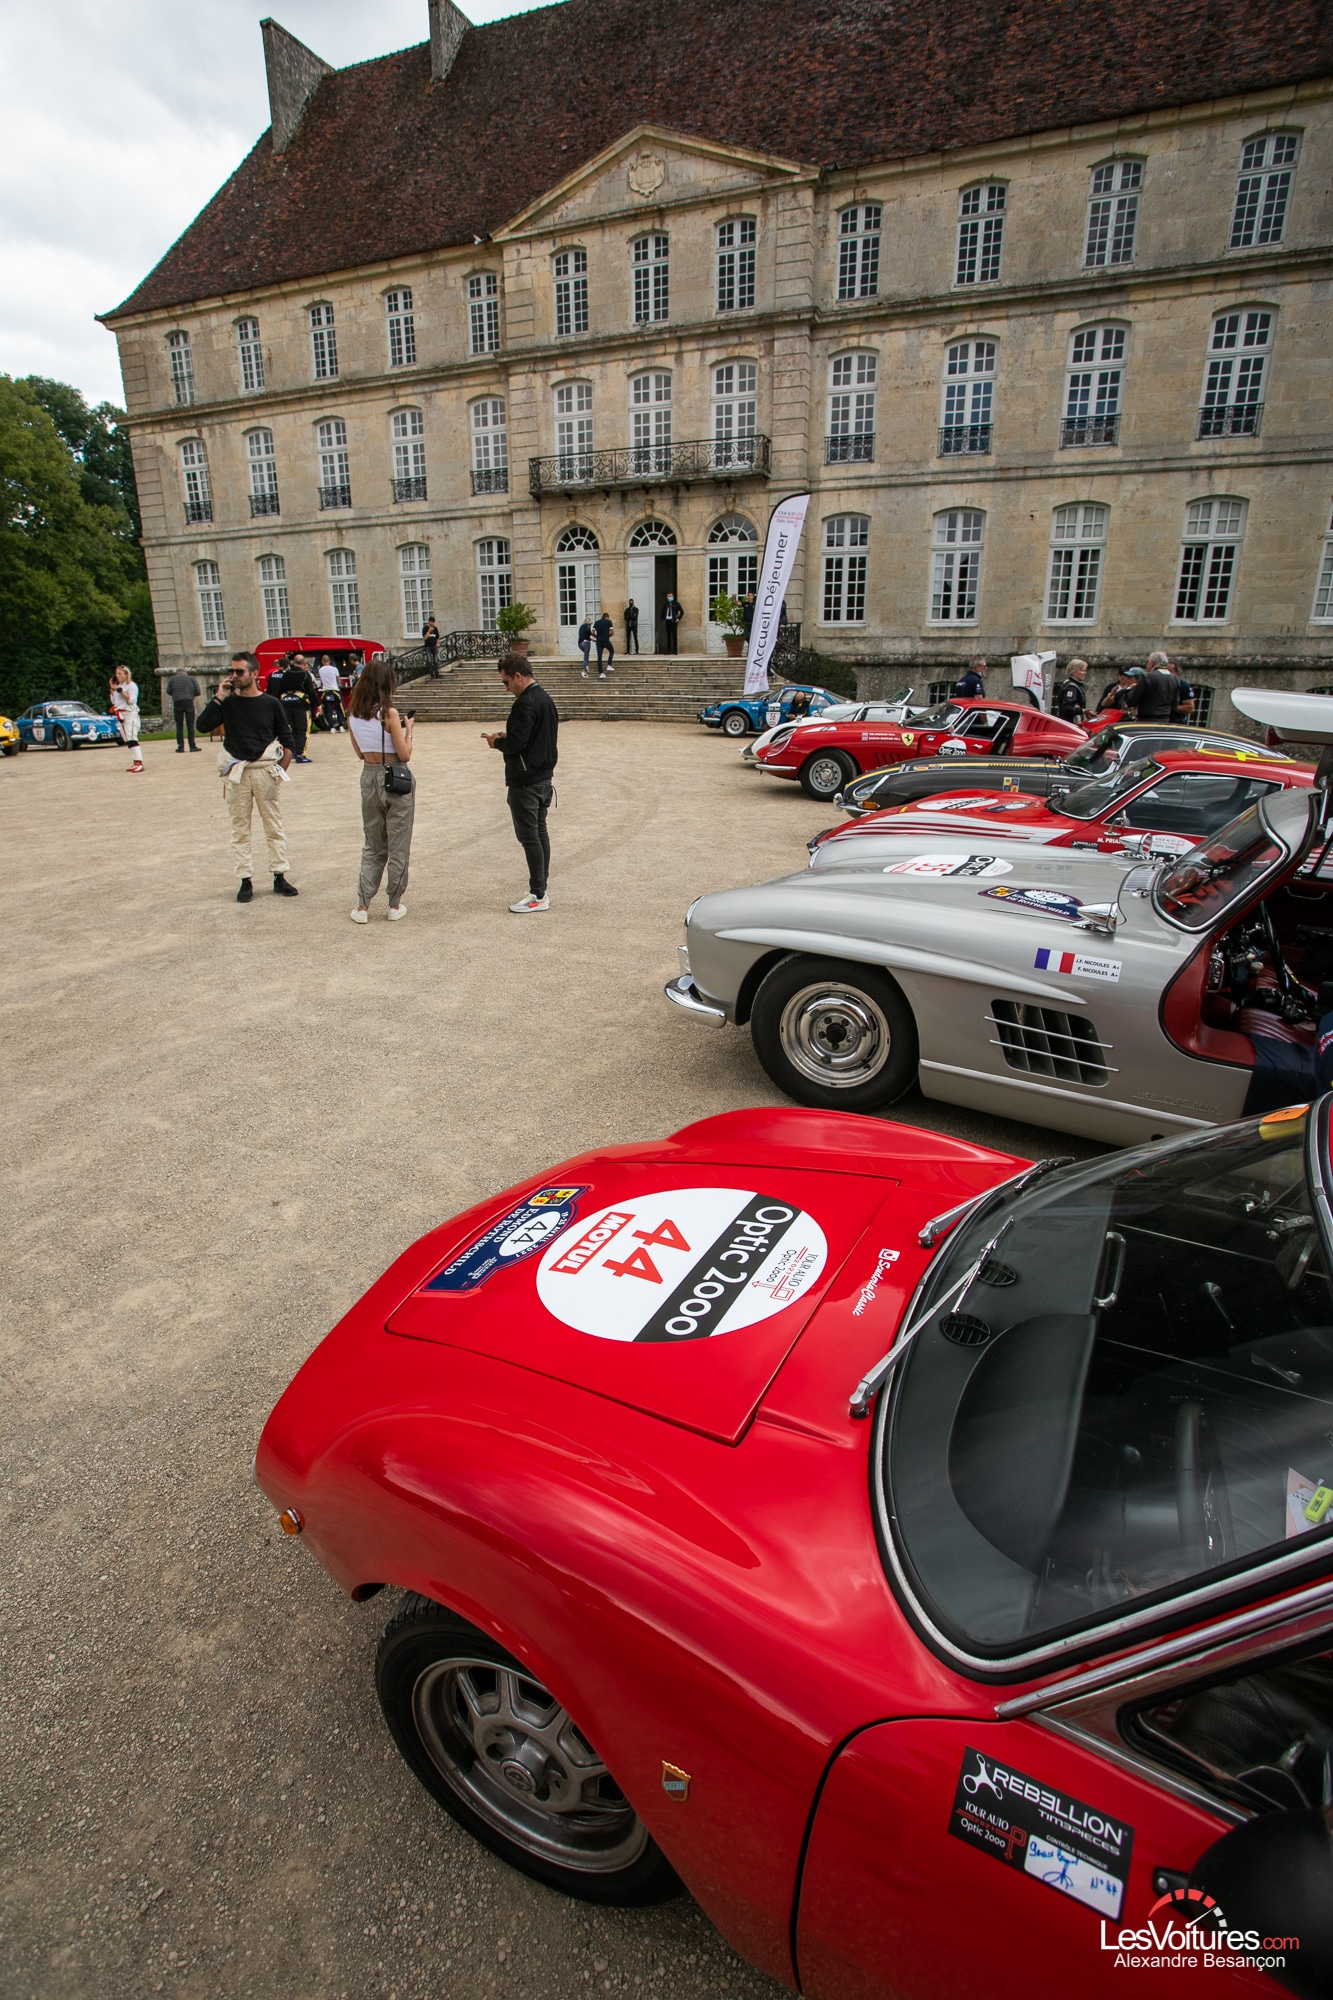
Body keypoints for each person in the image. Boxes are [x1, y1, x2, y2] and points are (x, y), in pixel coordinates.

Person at [194, 651, 298, 902]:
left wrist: (281, 770)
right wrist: (219, 697)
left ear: (254, 674)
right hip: (237, 772)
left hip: (264, 771)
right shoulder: (228, 703)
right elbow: (202, 726)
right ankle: (245, 879)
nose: (234, 676)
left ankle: (279, 874)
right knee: (240, 829)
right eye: (232, 672)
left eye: (239, 672)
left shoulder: (271, 703)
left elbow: (287, 740)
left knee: (274, 826)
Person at [482, 652, 559, 914]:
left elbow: (517, 744)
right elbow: (532, 736)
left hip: (526, 781)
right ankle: (540, 890)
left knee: (530, 837)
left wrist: (497, 743)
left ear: (518, 676)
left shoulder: (526, 702)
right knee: (538, 832)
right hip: (543, 778)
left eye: (506, 682)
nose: (506, 688)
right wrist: (509, 735)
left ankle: (538, 894)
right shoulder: (545, 698)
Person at [346, 654, 415, 923]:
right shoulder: (389, 713)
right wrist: (408, 730)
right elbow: (405, 754)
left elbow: (360, 754)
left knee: (373, 843)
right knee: (398, 842)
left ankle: (363, 905)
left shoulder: (352, 714)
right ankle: (394, 903)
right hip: (394, 776)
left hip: (369, 776)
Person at [272, 651, 319, 763]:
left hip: (286, 703)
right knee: (303, 729)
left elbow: (279, 690)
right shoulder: (305, 674)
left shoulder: (286, 674)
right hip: (300, 704)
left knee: (292, 729)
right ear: (304, 664)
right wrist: (317, 704)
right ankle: (301, 753)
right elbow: (311, 692)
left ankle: (293, 751)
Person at [1134, 650, 1184, 723]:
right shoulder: (1175, 679)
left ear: (1152, 664)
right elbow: (1175, 704)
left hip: (1146, 719)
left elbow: (1133, 700)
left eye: (1147, 662)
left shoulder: (1147, 677)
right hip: (1165, 719)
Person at [109, 665, 144, 773]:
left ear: (126, 674)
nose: (117, 676)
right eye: (116, 674)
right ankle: (135, 761)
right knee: (127, 738)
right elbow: (114, 702)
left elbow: (132, 700)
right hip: (121, 714)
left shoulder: (131, 685)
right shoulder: (118, 686)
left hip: (130, 713)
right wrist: (112, 689)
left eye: (120, 674)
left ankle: (139, 762)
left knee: (132, 736)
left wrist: (120, 691)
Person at [167, 666, 202, 753]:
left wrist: (176, 694)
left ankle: (181, 746)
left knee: (179, 725)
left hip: (177, 702)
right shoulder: (191, 679)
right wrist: (191, 695)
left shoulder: (172, 679)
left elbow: (168, 691)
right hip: (189, 702)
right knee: (190, 725)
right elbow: (198, 691)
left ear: (177, 672)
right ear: (185, 672)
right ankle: (192, 746)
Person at [1051, 657, 1089, 723]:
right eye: (1082, 670)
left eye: (1085, 671)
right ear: (1073, 671)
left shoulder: (1075, 685)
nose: (1084, 673)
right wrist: (1083, 711)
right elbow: (1066, 708)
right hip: (1070, 722)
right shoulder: (1071, 687)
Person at [593, 610, 615, 678]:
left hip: (599, 641)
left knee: (599, 657)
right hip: (606, 640)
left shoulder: (597, 622)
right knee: (611, 651)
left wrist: (597, 637)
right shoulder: (609, 622)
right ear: (607, 617)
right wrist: (608, 636)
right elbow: (612, 632)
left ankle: (601, 673)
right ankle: (609, 665)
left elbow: (592, 632)